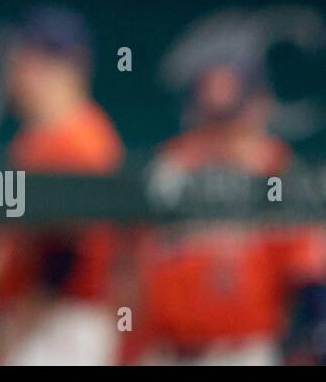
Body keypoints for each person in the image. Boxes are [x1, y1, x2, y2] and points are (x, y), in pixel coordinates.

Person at [123, 58, 326, 365]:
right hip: (167, 351)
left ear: (259, 109)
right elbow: (127, 274)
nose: (220, 135)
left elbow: (310, 283)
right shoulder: (168, 168)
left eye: (230, 119)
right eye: (211, 119)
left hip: (242, 353)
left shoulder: (278, 173)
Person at [0, 7, 125, 365]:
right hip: (46, 319)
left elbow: (65, 257)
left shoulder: (79, 139)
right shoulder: (40, 137)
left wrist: (19, 327)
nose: (15, 70)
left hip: (61, 322)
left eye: (27, 58)